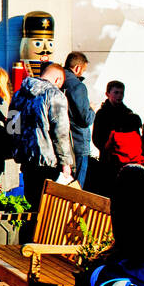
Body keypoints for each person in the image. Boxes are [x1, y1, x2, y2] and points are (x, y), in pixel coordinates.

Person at [9, 61, 74, 211]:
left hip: (26, 159)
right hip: (47, 160)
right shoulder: (55, 95)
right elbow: (61, 131)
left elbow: (11, 126)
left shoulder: (19, 94)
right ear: (57, 80)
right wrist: (65, 162)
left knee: (31, 203)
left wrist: (17, 150)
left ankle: (30, 233)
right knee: (48, 209)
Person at [63, 51, 95, 189]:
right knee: (77, 186)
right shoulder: (77, 86)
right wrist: (92, 110)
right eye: (83, 71)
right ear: (77, 68)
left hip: (63, 142)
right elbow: (85, 119)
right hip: (78, 141)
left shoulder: (58, 82)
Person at [101, 110, 144, 182]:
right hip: (139, 167)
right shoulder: (138, 136)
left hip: (120, 168)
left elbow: (106, 148)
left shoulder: (114, 134)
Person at [93, 81, 134, 161]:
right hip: (108, 157)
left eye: (121, 93)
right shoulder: (102, 113)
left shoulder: (128, 113)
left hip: (126, 156)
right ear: (107, 94)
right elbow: (96, 137)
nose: (119, 95)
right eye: (116, 92)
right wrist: (106, 148)